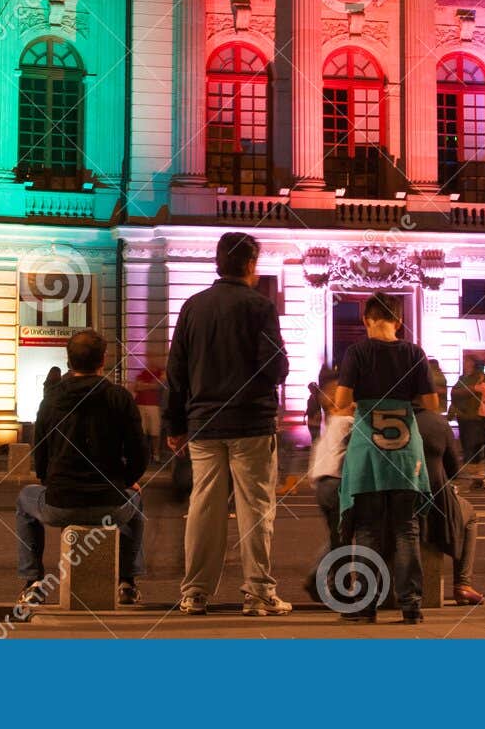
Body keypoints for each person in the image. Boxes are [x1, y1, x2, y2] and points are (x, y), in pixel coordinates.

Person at [165, 232, 292, 617]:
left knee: (204, 507)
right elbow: (276, 368)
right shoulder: (260, 307)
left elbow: (176, 371)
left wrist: (175, 424)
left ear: (218, 263)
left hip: (204, 423)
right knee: (255, 508)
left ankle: (195, 593)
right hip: (251, 422)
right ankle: (258, 593)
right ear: (251, 265)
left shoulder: (193, 307)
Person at [16, 329, 147, 607]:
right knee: (136, 501)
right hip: (110, 502)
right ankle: (127, 582)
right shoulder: (120, 398)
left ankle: (33, 582)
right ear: (103, 359)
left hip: (60, 502)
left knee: (25, 499)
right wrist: (127, 481)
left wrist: (49, 481)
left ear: (69, 361)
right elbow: (139, 454)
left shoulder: (51, 400)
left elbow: (40, 453)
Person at [333, 294, 435, 624]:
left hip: (369, 450)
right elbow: (432, 404)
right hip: (405, 451)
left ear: (366, 320)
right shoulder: (414, 353)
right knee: (407, 528)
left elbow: (341, 401)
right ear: (399, 322)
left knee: (368, 529)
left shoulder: (357, 352)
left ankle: (366, 605)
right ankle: (411, 605)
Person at [417, 377, 484, 605]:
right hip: (431, 502)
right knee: (470, 514)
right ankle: (463, 584)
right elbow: (453, 469)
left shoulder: (388, 418)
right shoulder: (436, 423)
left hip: (390, 500)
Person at [301, 372, 351, 602]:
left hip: (322, 484)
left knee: (337, 536)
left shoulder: (331, 424)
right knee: (342, 539)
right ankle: (334, 586)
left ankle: (317, 578)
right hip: (336, 483)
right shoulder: (346, 423)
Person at [132, 364, 164, 459]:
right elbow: (136, 387)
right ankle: (145, 454)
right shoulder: (142, 373)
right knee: (142, 432)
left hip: (154, 405)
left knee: (155, 432)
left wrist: (144, 385)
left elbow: (158, 386)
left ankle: (155, 454)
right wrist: (151, 385)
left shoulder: (161, 373)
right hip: (141, 405)